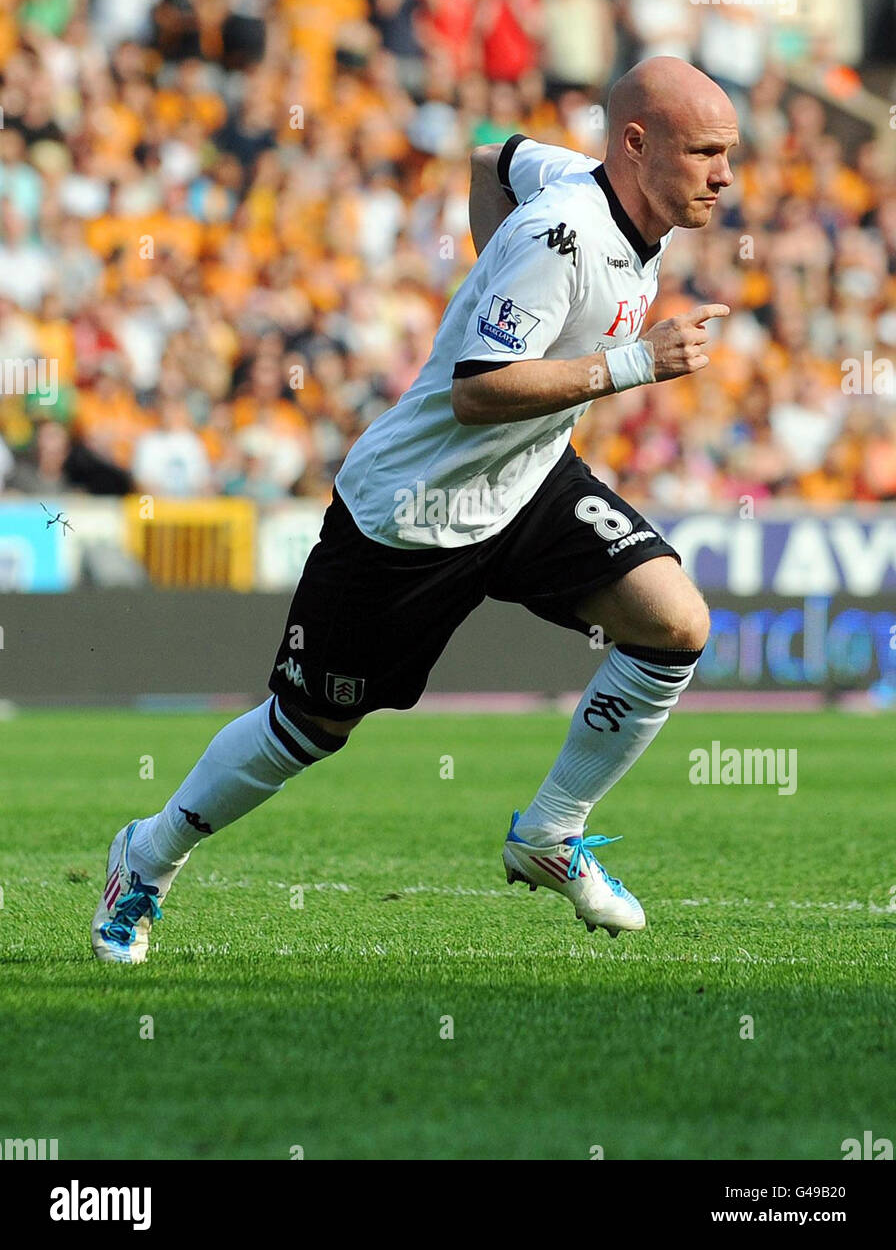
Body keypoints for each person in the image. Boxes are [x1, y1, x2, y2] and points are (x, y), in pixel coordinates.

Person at [91, 56, 738, 964]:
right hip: (413, 515)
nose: (725, 175)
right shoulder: (562, 233)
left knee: (675, 624)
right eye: (707, 152)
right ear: (638, 143)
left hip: (526, 479)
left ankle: (549, 834)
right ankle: (145, 860)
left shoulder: (595, 189)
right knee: (306, 732)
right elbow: (477, 391)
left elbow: (489, 157)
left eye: (730, 154)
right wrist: (631, 359)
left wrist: (494, 287)